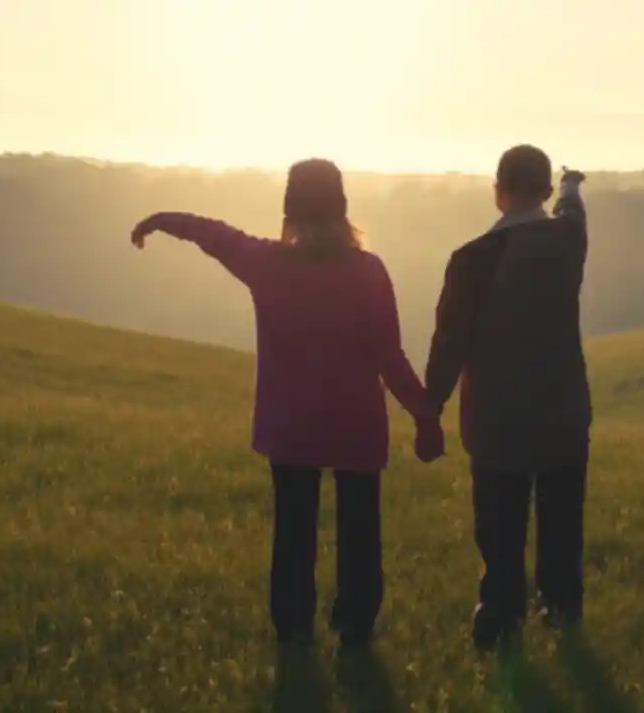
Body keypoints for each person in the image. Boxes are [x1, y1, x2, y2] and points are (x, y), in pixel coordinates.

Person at [129, 159, 445, 649]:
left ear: (289, 209)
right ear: (342, 208)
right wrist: (425, 416)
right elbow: (390, 356)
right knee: (360, 528)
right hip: (356, 425)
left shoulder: (266, 263)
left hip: (290, 426)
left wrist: (158, 221)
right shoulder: (368, 271)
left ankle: (294, 626)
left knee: (293, 530)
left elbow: (212, 233)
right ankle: (356, 624)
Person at [423, 145, 591, 650]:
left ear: (497, 191)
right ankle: (562, 609)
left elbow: (449, 342)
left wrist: (430, 407)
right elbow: (572, 210)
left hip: (496, 417)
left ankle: (499, 615)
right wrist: (572, 184)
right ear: (544, 190)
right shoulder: (569, 240)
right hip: (563, 410)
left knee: (499, 527)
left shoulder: (471, 259)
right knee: (562, 522)